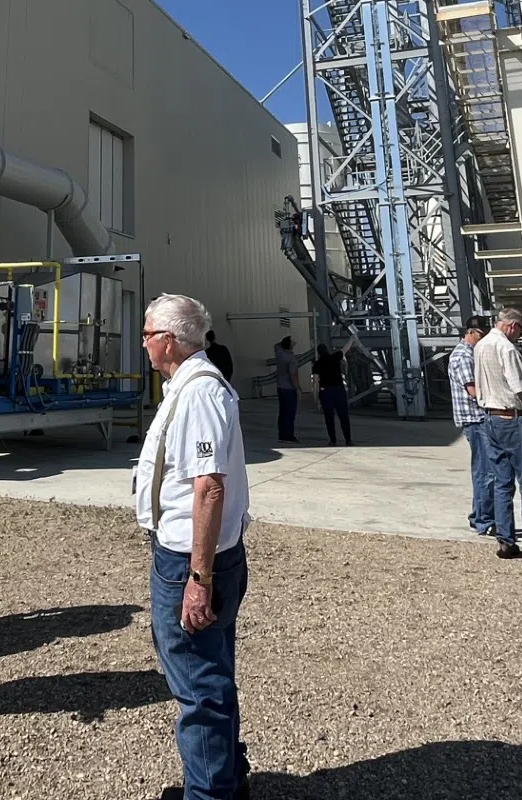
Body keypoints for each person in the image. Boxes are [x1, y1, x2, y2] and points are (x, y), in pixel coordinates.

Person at [134, 294, 251, 800]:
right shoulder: (185, 387)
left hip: (190, 561)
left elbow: (209, 488)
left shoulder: (200, 393)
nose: (141, 343)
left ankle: (209, 794)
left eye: (146, 334)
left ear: (169, 340)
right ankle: (227, 777)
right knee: (211, 670)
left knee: (199, 686)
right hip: (191, 555)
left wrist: (198, 580)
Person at [473, 309, 522, 563]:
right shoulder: (506, 348)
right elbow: (519, 385)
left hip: (489, 418)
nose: (520, 336)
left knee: (502, 482)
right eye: (520, 330)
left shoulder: (481, 345)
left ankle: (505, 541)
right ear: (512, 326)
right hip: (511, 418)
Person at [447, 324, 493, 536]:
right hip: (475, 418)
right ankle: (484, 519)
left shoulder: (469, 353)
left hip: (476, 418)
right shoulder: (464, 356)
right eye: (481, 335)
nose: (483, 339)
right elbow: (473, 391)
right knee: (486, 471)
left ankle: (480, 516)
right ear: (470, 332)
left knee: (484, 469)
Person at [312, 341, 353, 445]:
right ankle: (348, 440)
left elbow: (316, 382)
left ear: (319, 352)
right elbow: (344, 349)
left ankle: (333, 440)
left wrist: (315, 397)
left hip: (326, 391)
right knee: (343, 416)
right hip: (339, 390)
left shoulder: (317, 364)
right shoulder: (334, 357)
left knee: (329, 417)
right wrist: (352, 339)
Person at [272, 334, 302, 443]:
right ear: (289, 345)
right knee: (290, 413)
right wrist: (298, 388)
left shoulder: (280, 353)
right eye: (292, 341)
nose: (294, 343)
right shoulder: (291, 359)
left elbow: (276, 345)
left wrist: (284, 341)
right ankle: (289, 435)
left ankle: (282, 435)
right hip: (289, 389)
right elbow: (293, 375)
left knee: (282, 412)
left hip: (280, 387)